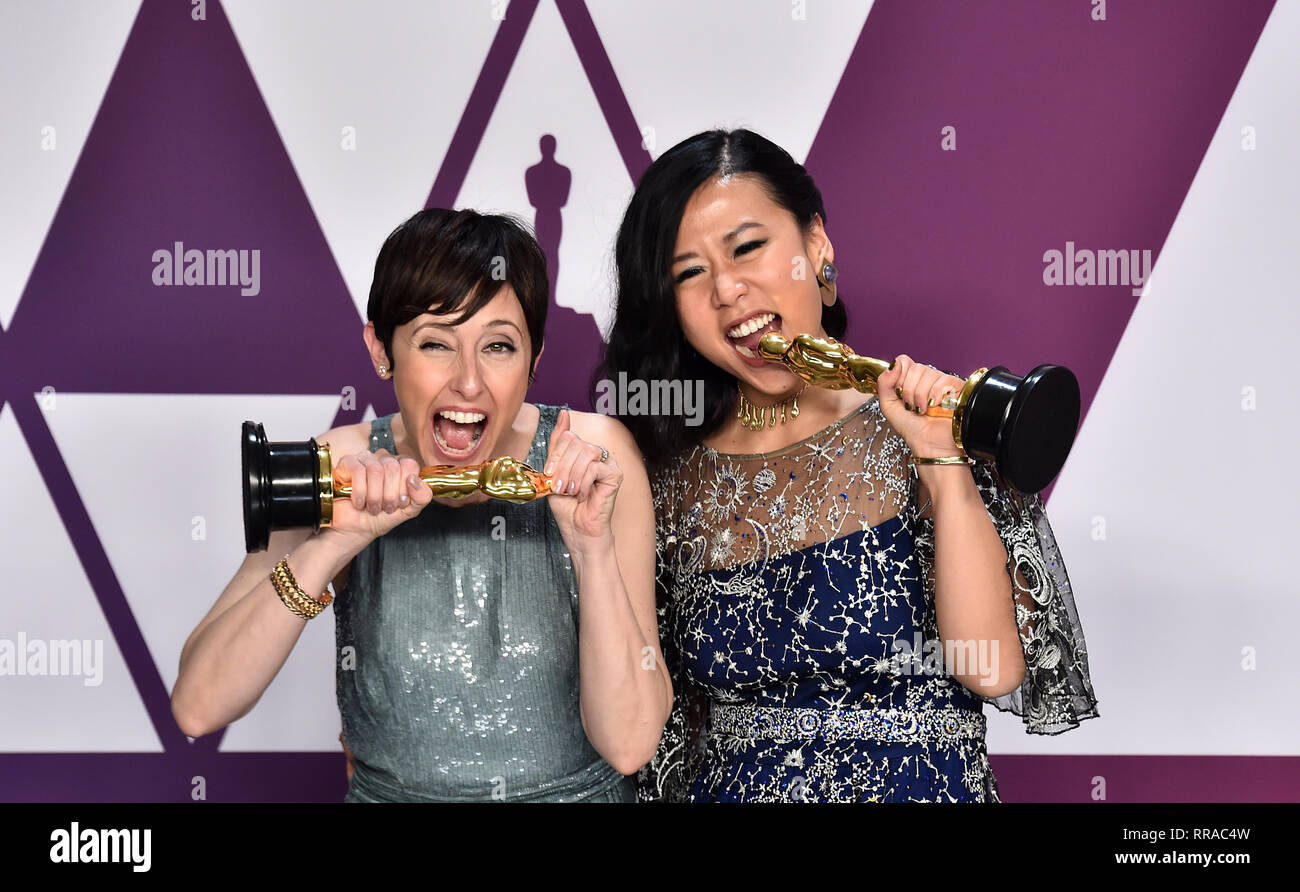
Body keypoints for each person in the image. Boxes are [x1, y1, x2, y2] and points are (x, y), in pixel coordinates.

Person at [600, 129, 1099, 803]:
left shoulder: (934, 420)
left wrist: (941, 461)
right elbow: (645, 728)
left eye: (748, 247)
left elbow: (992, 670)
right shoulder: (662, 477)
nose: (725, 288)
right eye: (688, 272)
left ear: (817, 246)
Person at [172, 208, 671, 802]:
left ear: (535, 359)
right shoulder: (340, 466)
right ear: (381, 349)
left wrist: (592, 550)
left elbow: (631, 744)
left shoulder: (595, 458)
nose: (468, 382)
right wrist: (333, 543)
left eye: (499, 347)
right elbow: (199, 707)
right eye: (435, 342)